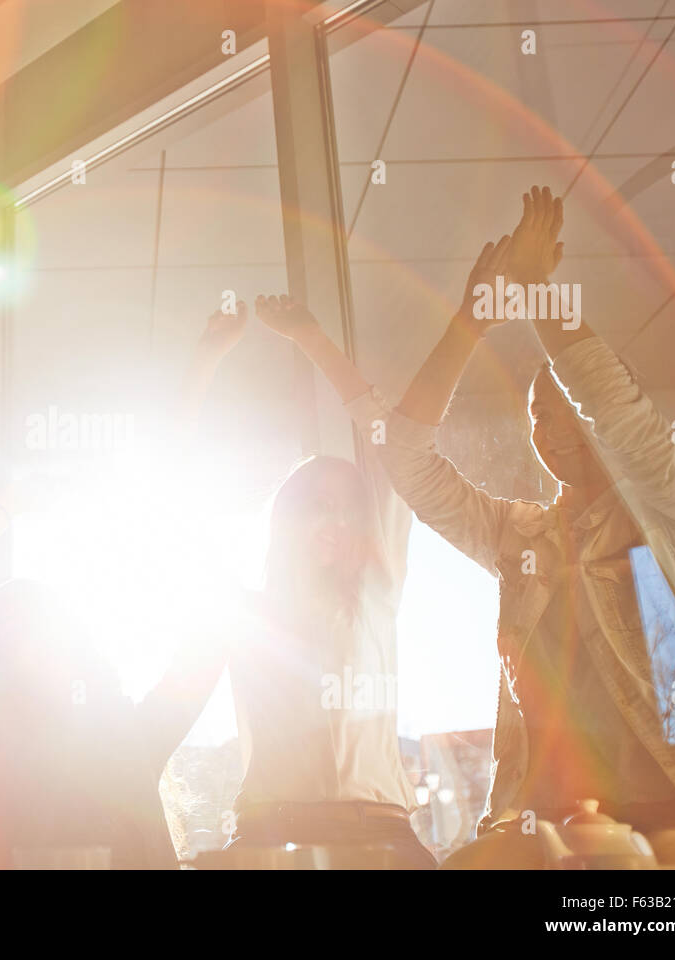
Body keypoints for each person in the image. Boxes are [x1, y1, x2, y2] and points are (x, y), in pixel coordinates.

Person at [289, 186, 675, 868]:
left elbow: (624, 423)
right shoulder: (522, 536)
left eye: (566, 408)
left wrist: (535, 292)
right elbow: (407, 457)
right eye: (536, 416)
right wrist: (473, 319)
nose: (551, 428)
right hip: (544, 820)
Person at [0, 479, 226, 869]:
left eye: (39, 631)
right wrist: (5, 506)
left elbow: (215, 630)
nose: (27, 651)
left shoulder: (135, 736)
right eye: (7, 640)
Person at [215, 296, 434, 869]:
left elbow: (391, 441)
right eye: (319, 505)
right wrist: (206, 361)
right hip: (269, 835)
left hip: (380, 836)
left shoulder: (374, 600)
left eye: (350, 509)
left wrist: (313, 340)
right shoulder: (245, 614)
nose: (337, 520)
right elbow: (165, 512)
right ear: (287, 520)